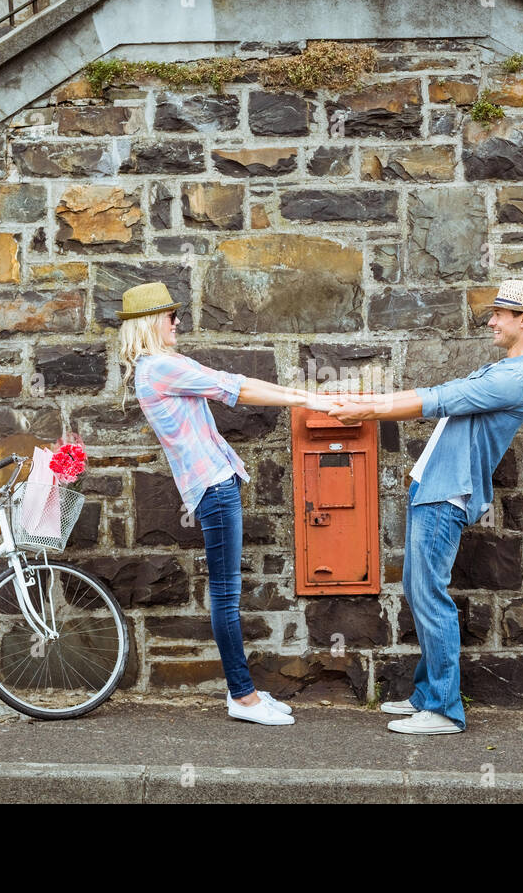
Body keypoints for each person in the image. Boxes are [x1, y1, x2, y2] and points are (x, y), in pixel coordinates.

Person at [328, 280, 523, 735]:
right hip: (433, 487)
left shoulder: (517, 377)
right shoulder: (502, 368)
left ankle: (445, 710)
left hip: (447, 493)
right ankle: (427, 695)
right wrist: (369, 405)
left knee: (431, 597)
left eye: (498, 314)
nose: (490, 321)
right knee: (420, 592)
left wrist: (367, 410)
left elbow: (438, 399)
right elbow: (443, 391)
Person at [118, 282, 337, 726]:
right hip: (213, 489)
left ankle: (248, 692)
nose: (177, 321)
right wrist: (307, 398)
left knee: (227, 594)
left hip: (218, 485)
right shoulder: (158, 368)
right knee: (225, 595)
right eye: (169, 315)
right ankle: (242, 696)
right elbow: (234, 388)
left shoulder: (167, 364)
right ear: (149, 323)